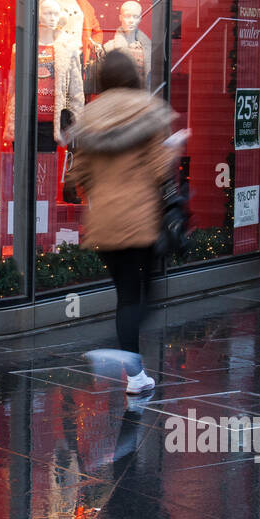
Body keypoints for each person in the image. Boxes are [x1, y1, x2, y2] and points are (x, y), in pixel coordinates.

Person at [63, 49, 182, 394]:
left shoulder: (89, 117)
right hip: (140, 220)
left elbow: (77, 176)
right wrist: (172, 148)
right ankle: (125, 363)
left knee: (126, 295)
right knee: (145, 296)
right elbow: (161, 169)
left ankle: (135, 374)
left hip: (103, 223)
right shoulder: (147, 110)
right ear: (134, 75)